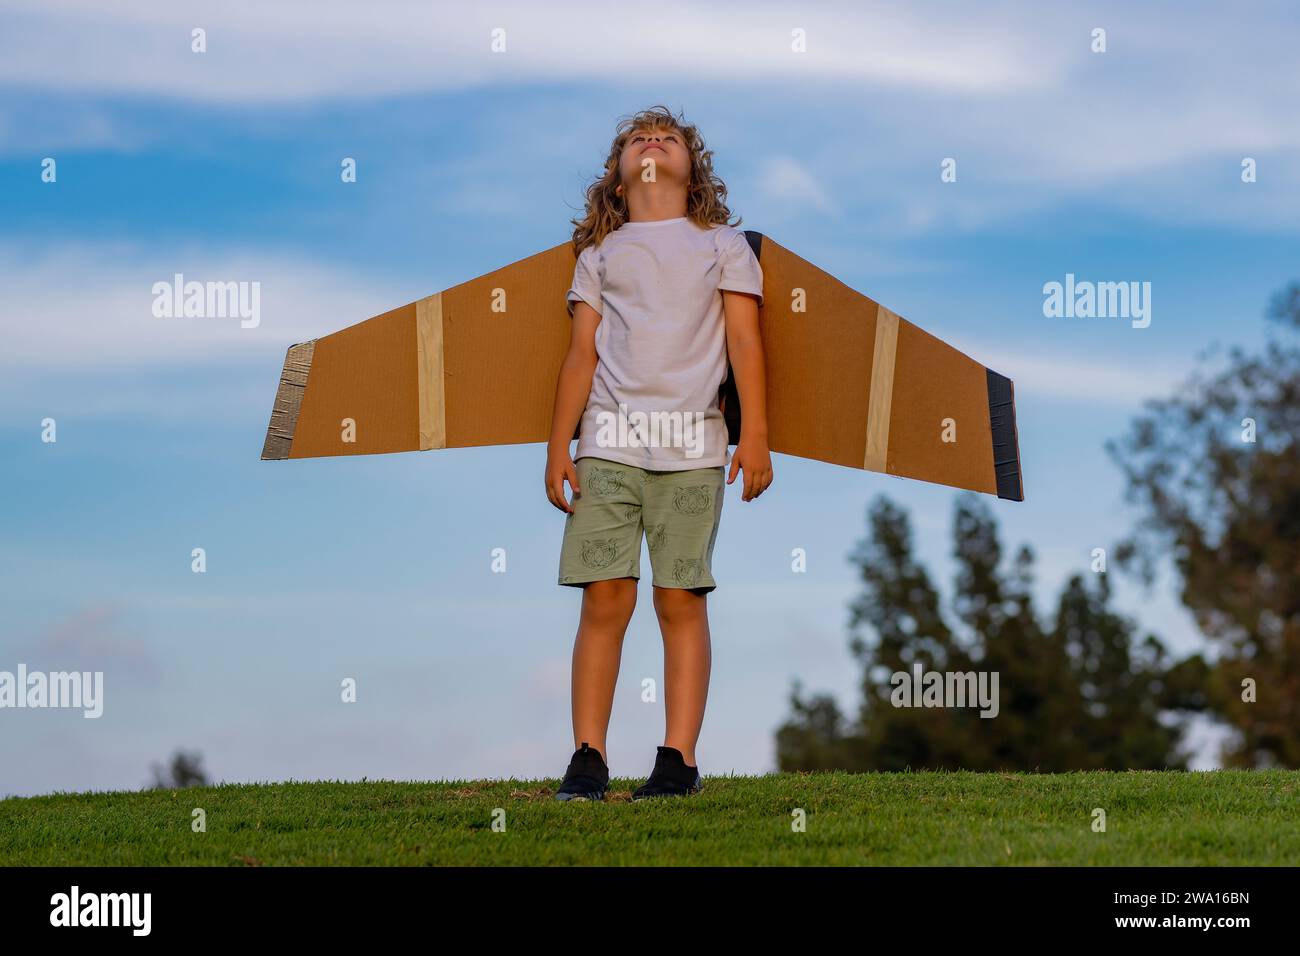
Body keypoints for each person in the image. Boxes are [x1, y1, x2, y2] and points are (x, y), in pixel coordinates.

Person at [544, 105, 773, 801]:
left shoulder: (722, 246)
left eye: (668, 138)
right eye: (637, 139)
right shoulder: (599, 256)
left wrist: (756, 432)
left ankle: (677, 760)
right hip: (607, 445)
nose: (652, 142)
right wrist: (560, 446)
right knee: (605, 599)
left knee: (681, 599)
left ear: (691, 171)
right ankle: (587, 756)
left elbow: (744, 343)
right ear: (618, 179)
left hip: (695, 447)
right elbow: (580, 357)